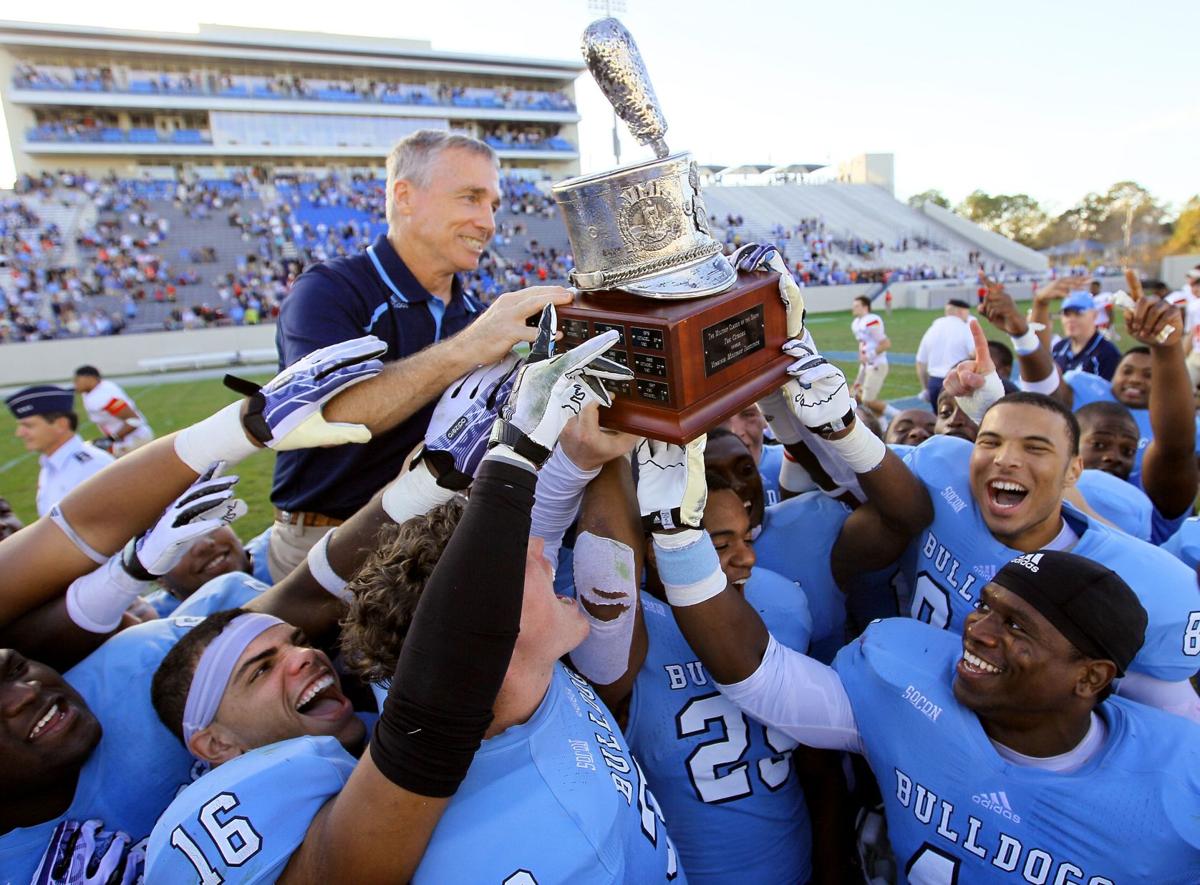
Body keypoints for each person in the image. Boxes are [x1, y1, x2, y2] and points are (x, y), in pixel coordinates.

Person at [146, 333, 681, 883]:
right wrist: (513, 454)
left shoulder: (390, 666)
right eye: (259, 670)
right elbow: (438, 695)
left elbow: (479, 579)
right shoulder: (275, 799)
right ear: (213, 744)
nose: (302, 659)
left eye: (296, 644)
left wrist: (449, 474)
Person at [646, 464, 1200, 885]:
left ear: (1090, 677)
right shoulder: (909, 684)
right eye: (984, 607)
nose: (978, 631)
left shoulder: (1180, 778)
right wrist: (676, 539)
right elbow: (762, 677)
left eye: (1017, 627)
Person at [268, 129, 574, 579]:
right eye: (470, 198)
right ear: (405, 196)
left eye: (492, 205)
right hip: (329, 540)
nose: (488, 223)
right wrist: (467, 347)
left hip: (435, 533)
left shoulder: (472, 315)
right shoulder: (330, 291)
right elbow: (333, 418)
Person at [6, 385, 113, 517]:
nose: (20, 433)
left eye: (28, 425)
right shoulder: (51, 465)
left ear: (61, 424)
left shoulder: (93, 467)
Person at [73, 366, 155, 456]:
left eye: (77, 380)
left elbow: (134, 421)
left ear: (90, 378)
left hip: (132, 441)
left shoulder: (104, 396)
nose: (75, 384)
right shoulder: (95, 390)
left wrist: (110, 439)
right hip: (121, 441)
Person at [1049, 291, 1121, 380]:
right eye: (1066, 314)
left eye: (1078, 313)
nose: (1071, 320)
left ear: (1094, 315)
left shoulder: (1107, 353)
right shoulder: (1058, 348)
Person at [915, 299, 974, 406]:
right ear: (961, 312)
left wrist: (925, 388)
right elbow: (975, 354)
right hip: (957, 382)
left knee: (939, 420)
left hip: (934, 383)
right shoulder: (965, 328)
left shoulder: (932, 329)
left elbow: (920, 362)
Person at [721, 403, 782, 505]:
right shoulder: (692, 486)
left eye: (749, 415)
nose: (737, 431)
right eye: (720, 420)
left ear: (765, 418)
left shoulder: (795, 463)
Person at [849, 294, 889, 419]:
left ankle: (898, 415)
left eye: (857, 306)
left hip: (876, 364)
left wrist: (870, 355)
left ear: (865, 307)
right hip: (866, 365)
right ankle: (882, 425)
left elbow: (886, 343)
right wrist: (861, 355)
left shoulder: (872, 320)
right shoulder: (856, 323)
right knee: (854, 394)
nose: (854, 308)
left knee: (867, 399)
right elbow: (862, 342)